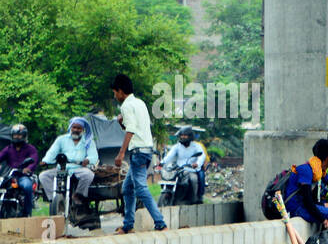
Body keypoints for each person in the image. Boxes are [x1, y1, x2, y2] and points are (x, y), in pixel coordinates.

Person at [111, 74, 167, 233]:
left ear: (121, 91)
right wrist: (121, 123)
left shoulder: (126, 106)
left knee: (141, 188)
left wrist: (121, 154)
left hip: (138, 152)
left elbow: (131, 130)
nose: (115, 96)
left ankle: (160, 223)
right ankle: (128, 225)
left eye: (115, 93)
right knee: (127, 188)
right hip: (147, 150)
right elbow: (136, 127)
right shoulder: (140, 103)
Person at [39, 117, 99, 213]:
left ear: (83, 130)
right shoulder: (61, 139)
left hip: (79, 169)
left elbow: (94, 156)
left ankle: (78, 195)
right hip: (62, 168)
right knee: (43, 175)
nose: (76, 130)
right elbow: (52, 152)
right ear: (70, 128)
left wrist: (88, 160)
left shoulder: (88, 141)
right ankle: (54, 200)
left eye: (79, 128)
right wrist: (46, 161)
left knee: (88, 174)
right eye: (74, 127)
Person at [159, 126, 207, 203]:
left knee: (193, 179)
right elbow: (169, 155)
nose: (183, 137)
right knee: (169, 178)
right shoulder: (177, 146)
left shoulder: (196, 146)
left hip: (191, 169)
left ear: (190, 136)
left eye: (185, 135)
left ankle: (195, 198)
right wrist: (162, 162)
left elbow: (202, 156)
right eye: (181, 135)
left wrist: (197, 164)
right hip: (178, 169)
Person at [0, 124, 40, 216]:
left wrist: (28, 169)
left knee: (27, 186)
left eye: (19, 135)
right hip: (11, 176)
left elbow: (34, 160)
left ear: (24, 136)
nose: (17, 137)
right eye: (15, 135)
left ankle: (27, 213)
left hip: (23, 176)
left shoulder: (31, 148)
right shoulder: (8, 149)